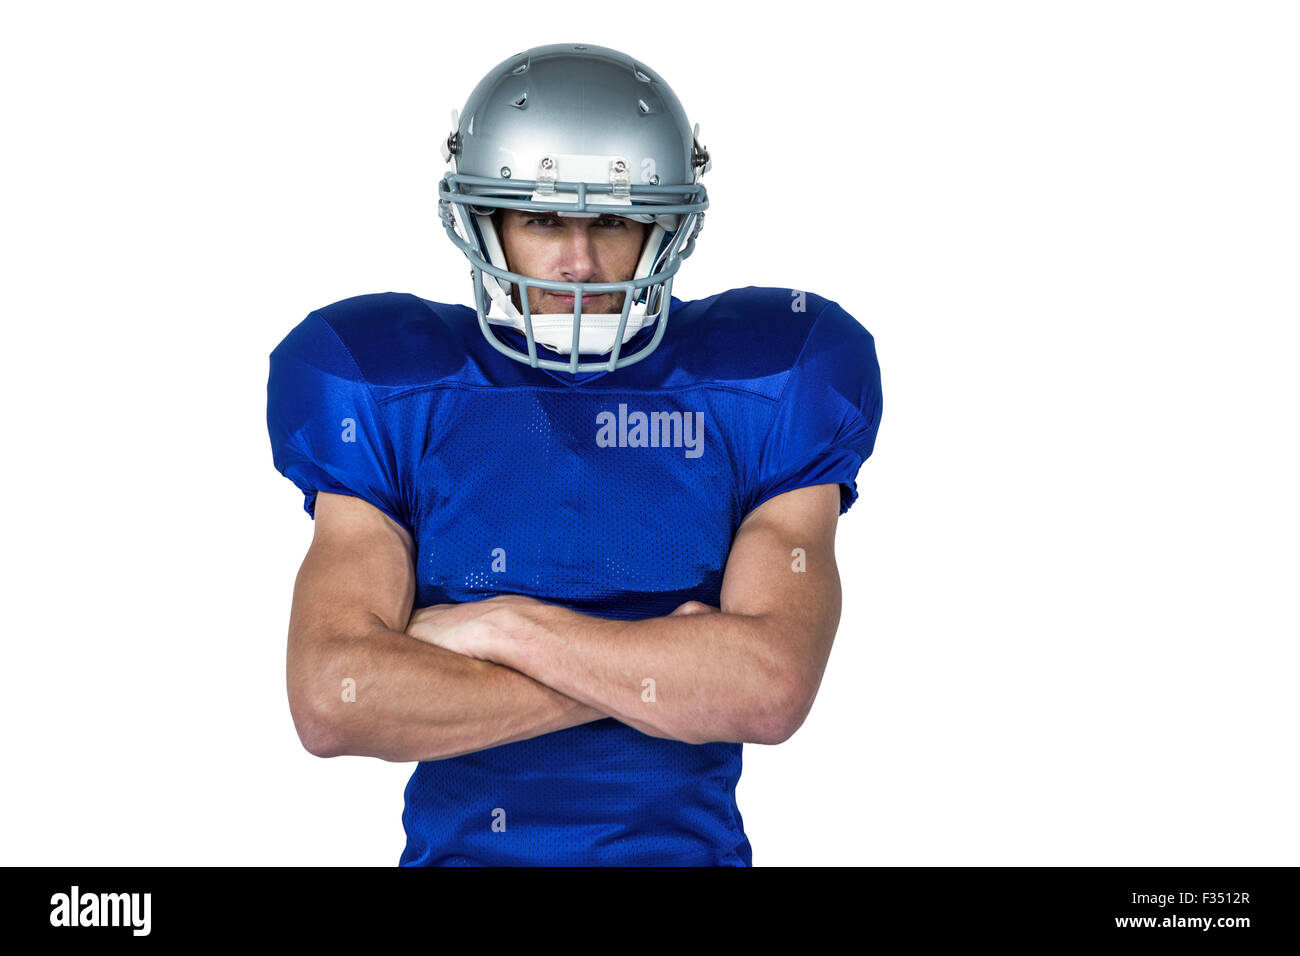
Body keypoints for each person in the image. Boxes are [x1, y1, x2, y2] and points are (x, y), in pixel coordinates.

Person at [266, 42, 883, 866]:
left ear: (666, 226)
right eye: (544, 219)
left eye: (615, 221)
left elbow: (768, 690)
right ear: (485, 221)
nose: (580, 263)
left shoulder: (774, 373)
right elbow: (333, 700)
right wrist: (668, 671)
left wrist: (498, 626)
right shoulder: (387, 382)